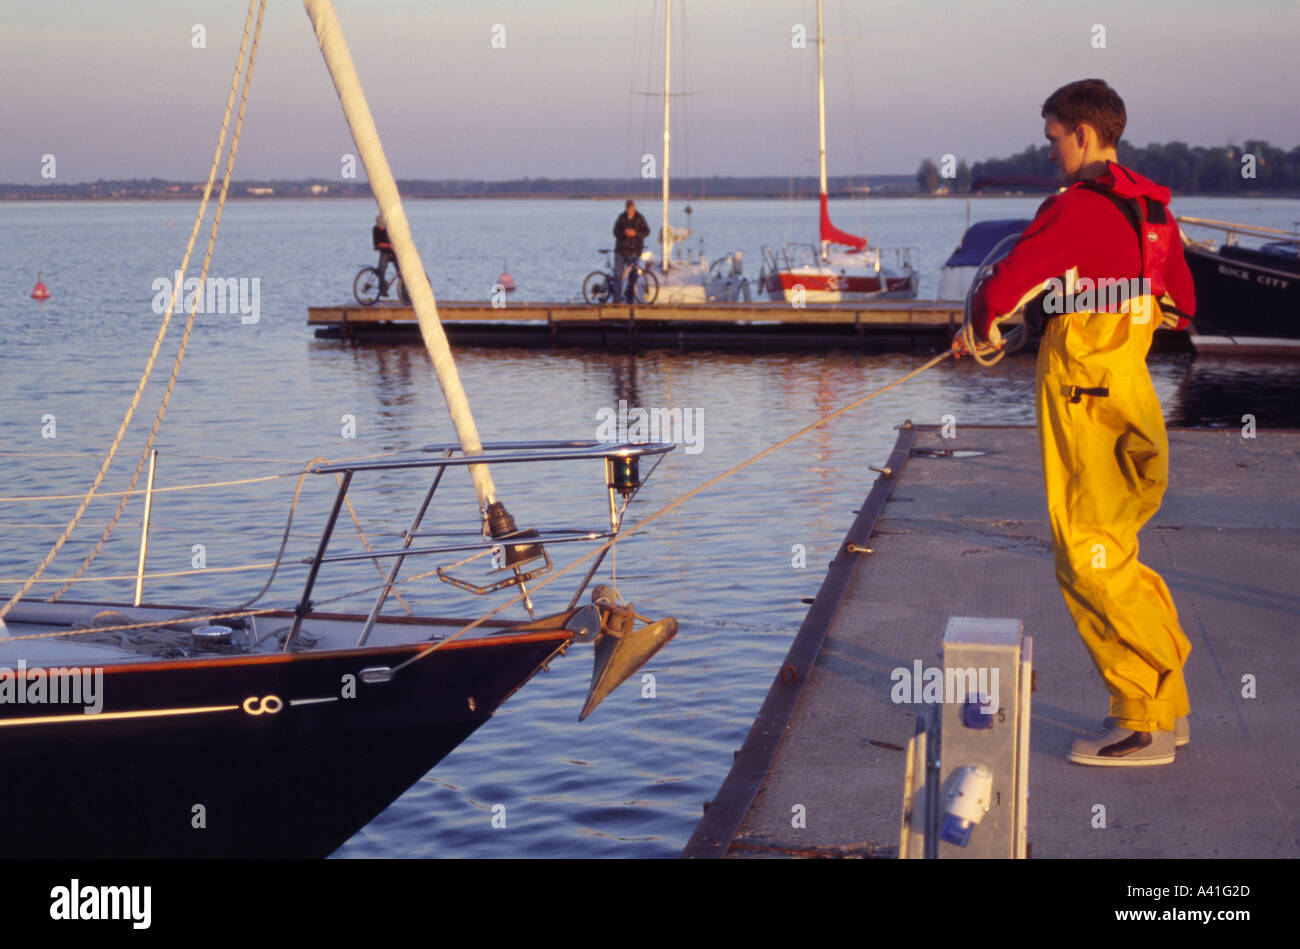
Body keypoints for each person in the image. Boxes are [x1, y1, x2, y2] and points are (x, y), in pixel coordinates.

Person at [964, 79, 1196, 767]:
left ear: (1084, 135)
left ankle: (1143, 723)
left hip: (1083, 399)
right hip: (1131, 392)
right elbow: (1180, 306)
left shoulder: (1077, 208)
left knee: (1087, 558)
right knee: (1115, 553)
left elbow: (1004, 288)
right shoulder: (1150, 209)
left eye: (1055, 137)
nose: (1052, 151)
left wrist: (979, 324)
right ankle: (1167, 703)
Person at [612, 200, 650, 303]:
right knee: (618, 275)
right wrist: (624, 233)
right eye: (628, 209)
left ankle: (630, 299)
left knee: (633, 276)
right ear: (626, 208)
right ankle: (617, 300)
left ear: (634, 208)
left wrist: (636, 234)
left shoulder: (640, 218)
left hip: (634, 251)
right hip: (620, 250)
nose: (630, 211)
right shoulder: (621, 217)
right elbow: (615, 231)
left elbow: (647, 231)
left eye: (631, 209)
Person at [372, 214, 397, 284]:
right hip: (384, 252)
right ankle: (382, 288)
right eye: (379, 225)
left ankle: (404, 291)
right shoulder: (376, 229)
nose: (381, 227)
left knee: (400, 270)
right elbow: (377, 243)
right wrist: (388, 245)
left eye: (382, 225)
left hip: (393, 253)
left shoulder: (390, 229)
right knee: (381, 271)